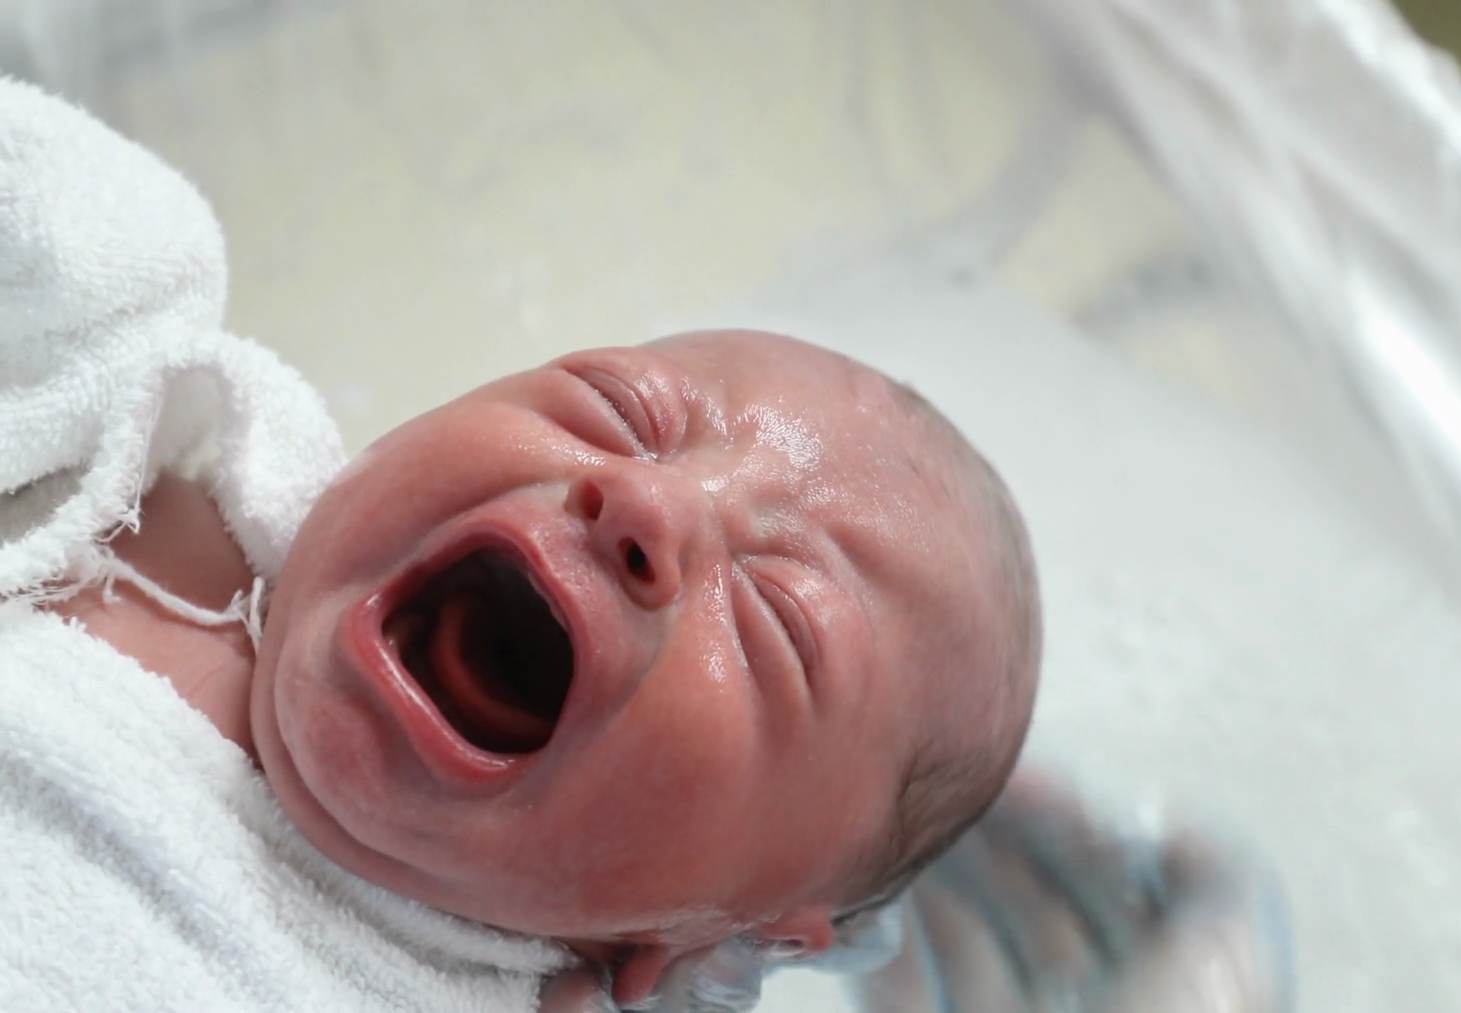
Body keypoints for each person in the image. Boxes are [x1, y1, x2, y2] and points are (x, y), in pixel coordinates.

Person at [0, 78, 1039, 1012]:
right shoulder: (111, 430)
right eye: (618, 410)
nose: (646, 501)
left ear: (716, 931)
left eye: (777, 619)